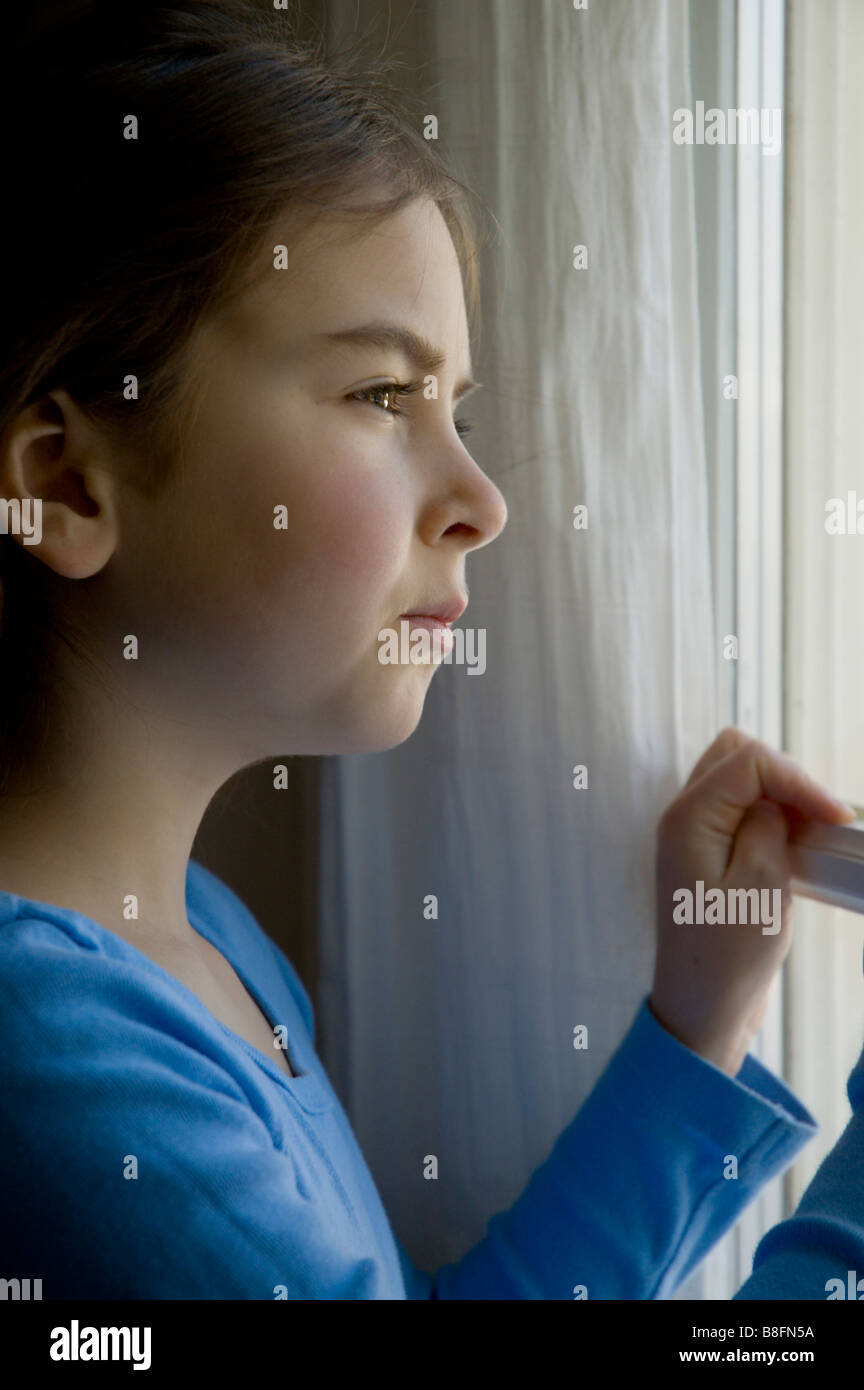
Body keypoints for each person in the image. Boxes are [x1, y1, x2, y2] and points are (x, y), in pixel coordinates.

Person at [0, 0, 860, 1300]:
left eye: (455, 409)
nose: (484, 498)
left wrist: (700, 1015)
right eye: (381, 396)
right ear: (67, 485)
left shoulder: (200, 942)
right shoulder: (50, 1059)